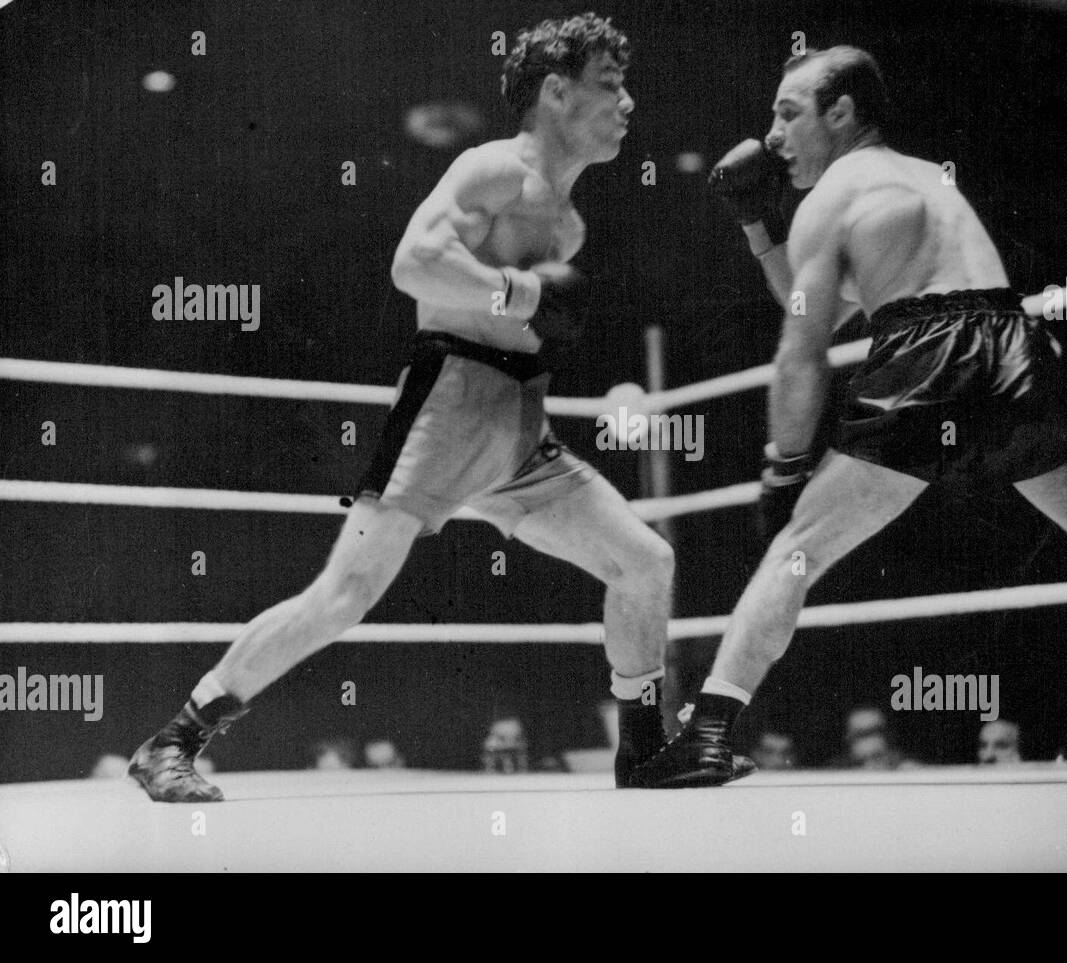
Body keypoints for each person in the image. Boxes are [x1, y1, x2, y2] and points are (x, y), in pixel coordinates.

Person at [632, 45, 1067, 788]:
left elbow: (803, 347)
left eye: (788, 113)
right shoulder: (928, 179)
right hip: (1013, 345)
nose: (773, 135)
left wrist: (784, 464)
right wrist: (759, 225)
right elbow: (833, 297)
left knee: (796, 551)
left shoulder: (832, 198)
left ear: (841, 112)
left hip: (926, 352)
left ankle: (708, 734)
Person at [129, 13, 707, 801]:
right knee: (345, 594)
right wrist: (522, 293)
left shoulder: (569, 224)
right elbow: (414, 263)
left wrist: (543, 320)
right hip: (446, 407)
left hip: (519, 424)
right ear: (555, 91)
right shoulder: (492, 169)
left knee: (645, 560)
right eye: (610, 85)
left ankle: (642, 748)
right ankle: (174, 738)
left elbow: (524, 320)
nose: (628, 102)